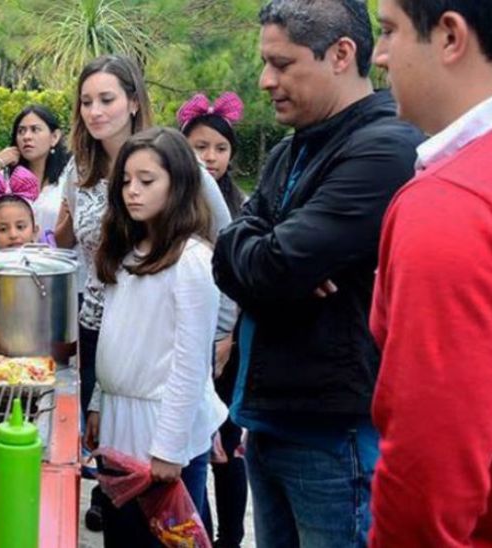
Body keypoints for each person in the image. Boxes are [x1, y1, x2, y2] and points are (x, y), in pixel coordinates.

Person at [210, 1, 425, 546]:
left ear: (341, 54)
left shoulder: (384, 148)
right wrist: (264, 256)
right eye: (265, 63)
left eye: (282, 64)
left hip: (334, 435)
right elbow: (232, 250)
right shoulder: (291, 150)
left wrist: (266, 258)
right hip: (271, 423)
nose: (265, 81)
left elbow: (272, 265)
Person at [54, 53, 232, 532]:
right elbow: (72, 246)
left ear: (133, 101)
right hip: (108, 353)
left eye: (107, 98)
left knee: (177, 519)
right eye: (86, 101)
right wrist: (97, 401)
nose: (95, 111)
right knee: (126, 516)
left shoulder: (187, 247)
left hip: (163, 382)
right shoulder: (86, 179)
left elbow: (227, 247)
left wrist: (224, 331)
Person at [369, 1, 492, 545]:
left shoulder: (449, 205)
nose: (381, 56)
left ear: (449, 37)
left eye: (390, 31)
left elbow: (431, 459)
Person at [86, 127, 227, 545]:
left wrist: (169, 447)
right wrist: (98, 402)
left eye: (147, 181)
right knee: (122, 532)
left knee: (167, 537)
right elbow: (114, 339)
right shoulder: (125, 253)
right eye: (126, 181)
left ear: (179, 184)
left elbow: (190, 364)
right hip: (119, 420)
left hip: (162, 428)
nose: (133, 191)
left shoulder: (192, 261)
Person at [179, 91, 248, 548]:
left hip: (227, 344)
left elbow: (243, 277)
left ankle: (231, 536)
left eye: (220, 148)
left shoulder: (243, 208)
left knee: (228, 444)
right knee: (194, 446)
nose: (211, 157)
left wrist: (227, 336)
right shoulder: (176, 203)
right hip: (188, 342)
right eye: (201, 147)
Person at [0, 105, 70, 238]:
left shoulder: (67, 179)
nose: (26, 136)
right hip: (14, 256)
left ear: (54, 137)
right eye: (21, 131)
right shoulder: (7, 181)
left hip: (56, 256)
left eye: (35, 130)